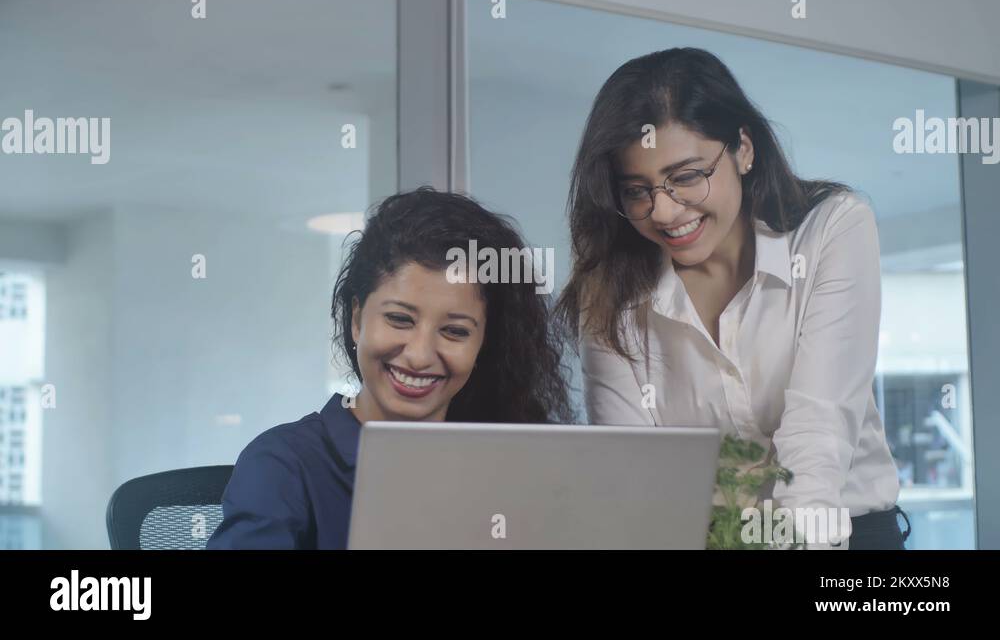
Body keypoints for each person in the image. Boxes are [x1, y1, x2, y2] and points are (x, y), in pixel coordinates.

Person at [556, 48, 910, 549]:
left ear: (744, 148)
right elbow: (633, 469)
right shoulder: (609, 286)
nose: (662, 211)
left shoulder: (832, 229)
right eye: (637, 190)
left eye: (685, 177)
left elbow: (816, 435)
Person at [208, 187, 573, 549]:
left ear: (483, 345)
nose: (419, 355)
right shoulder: (283, 464)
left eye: (455, 331)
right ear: (356, 320)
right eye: (399, 319)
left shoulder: (511, 469)